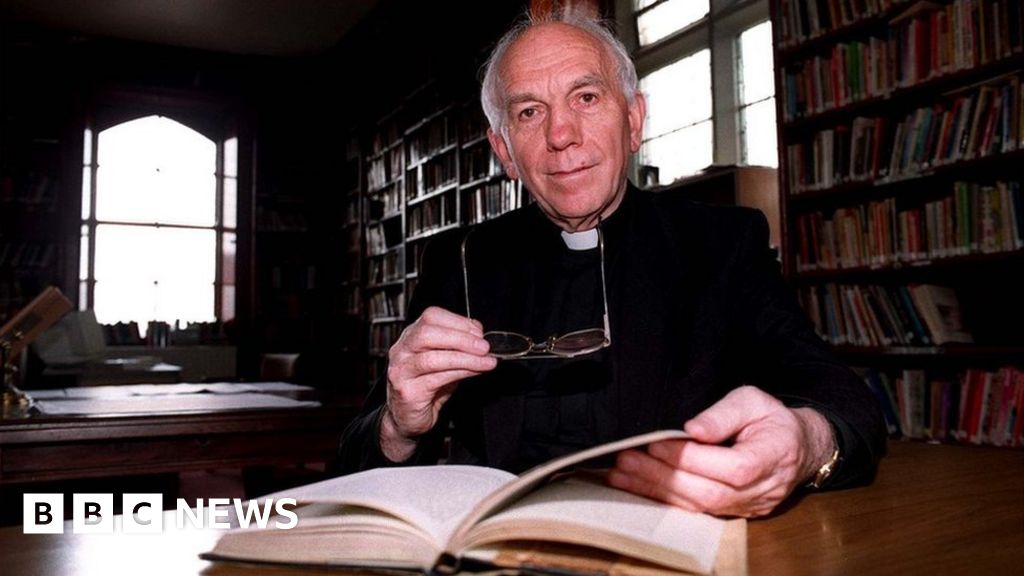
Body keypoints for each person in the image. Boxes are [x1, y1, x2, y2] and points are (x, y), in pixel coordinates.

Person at [338, 6, 886, 518]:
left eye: (586, 98)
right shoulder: (459, 260)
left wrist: (803, 445)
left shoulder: (722, 243)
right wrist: (399, 427)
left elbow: (845, 404)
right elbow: (352, 469)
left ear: (633, 119)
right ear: (504, 151)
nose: (560, 135)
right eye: (530, 112)